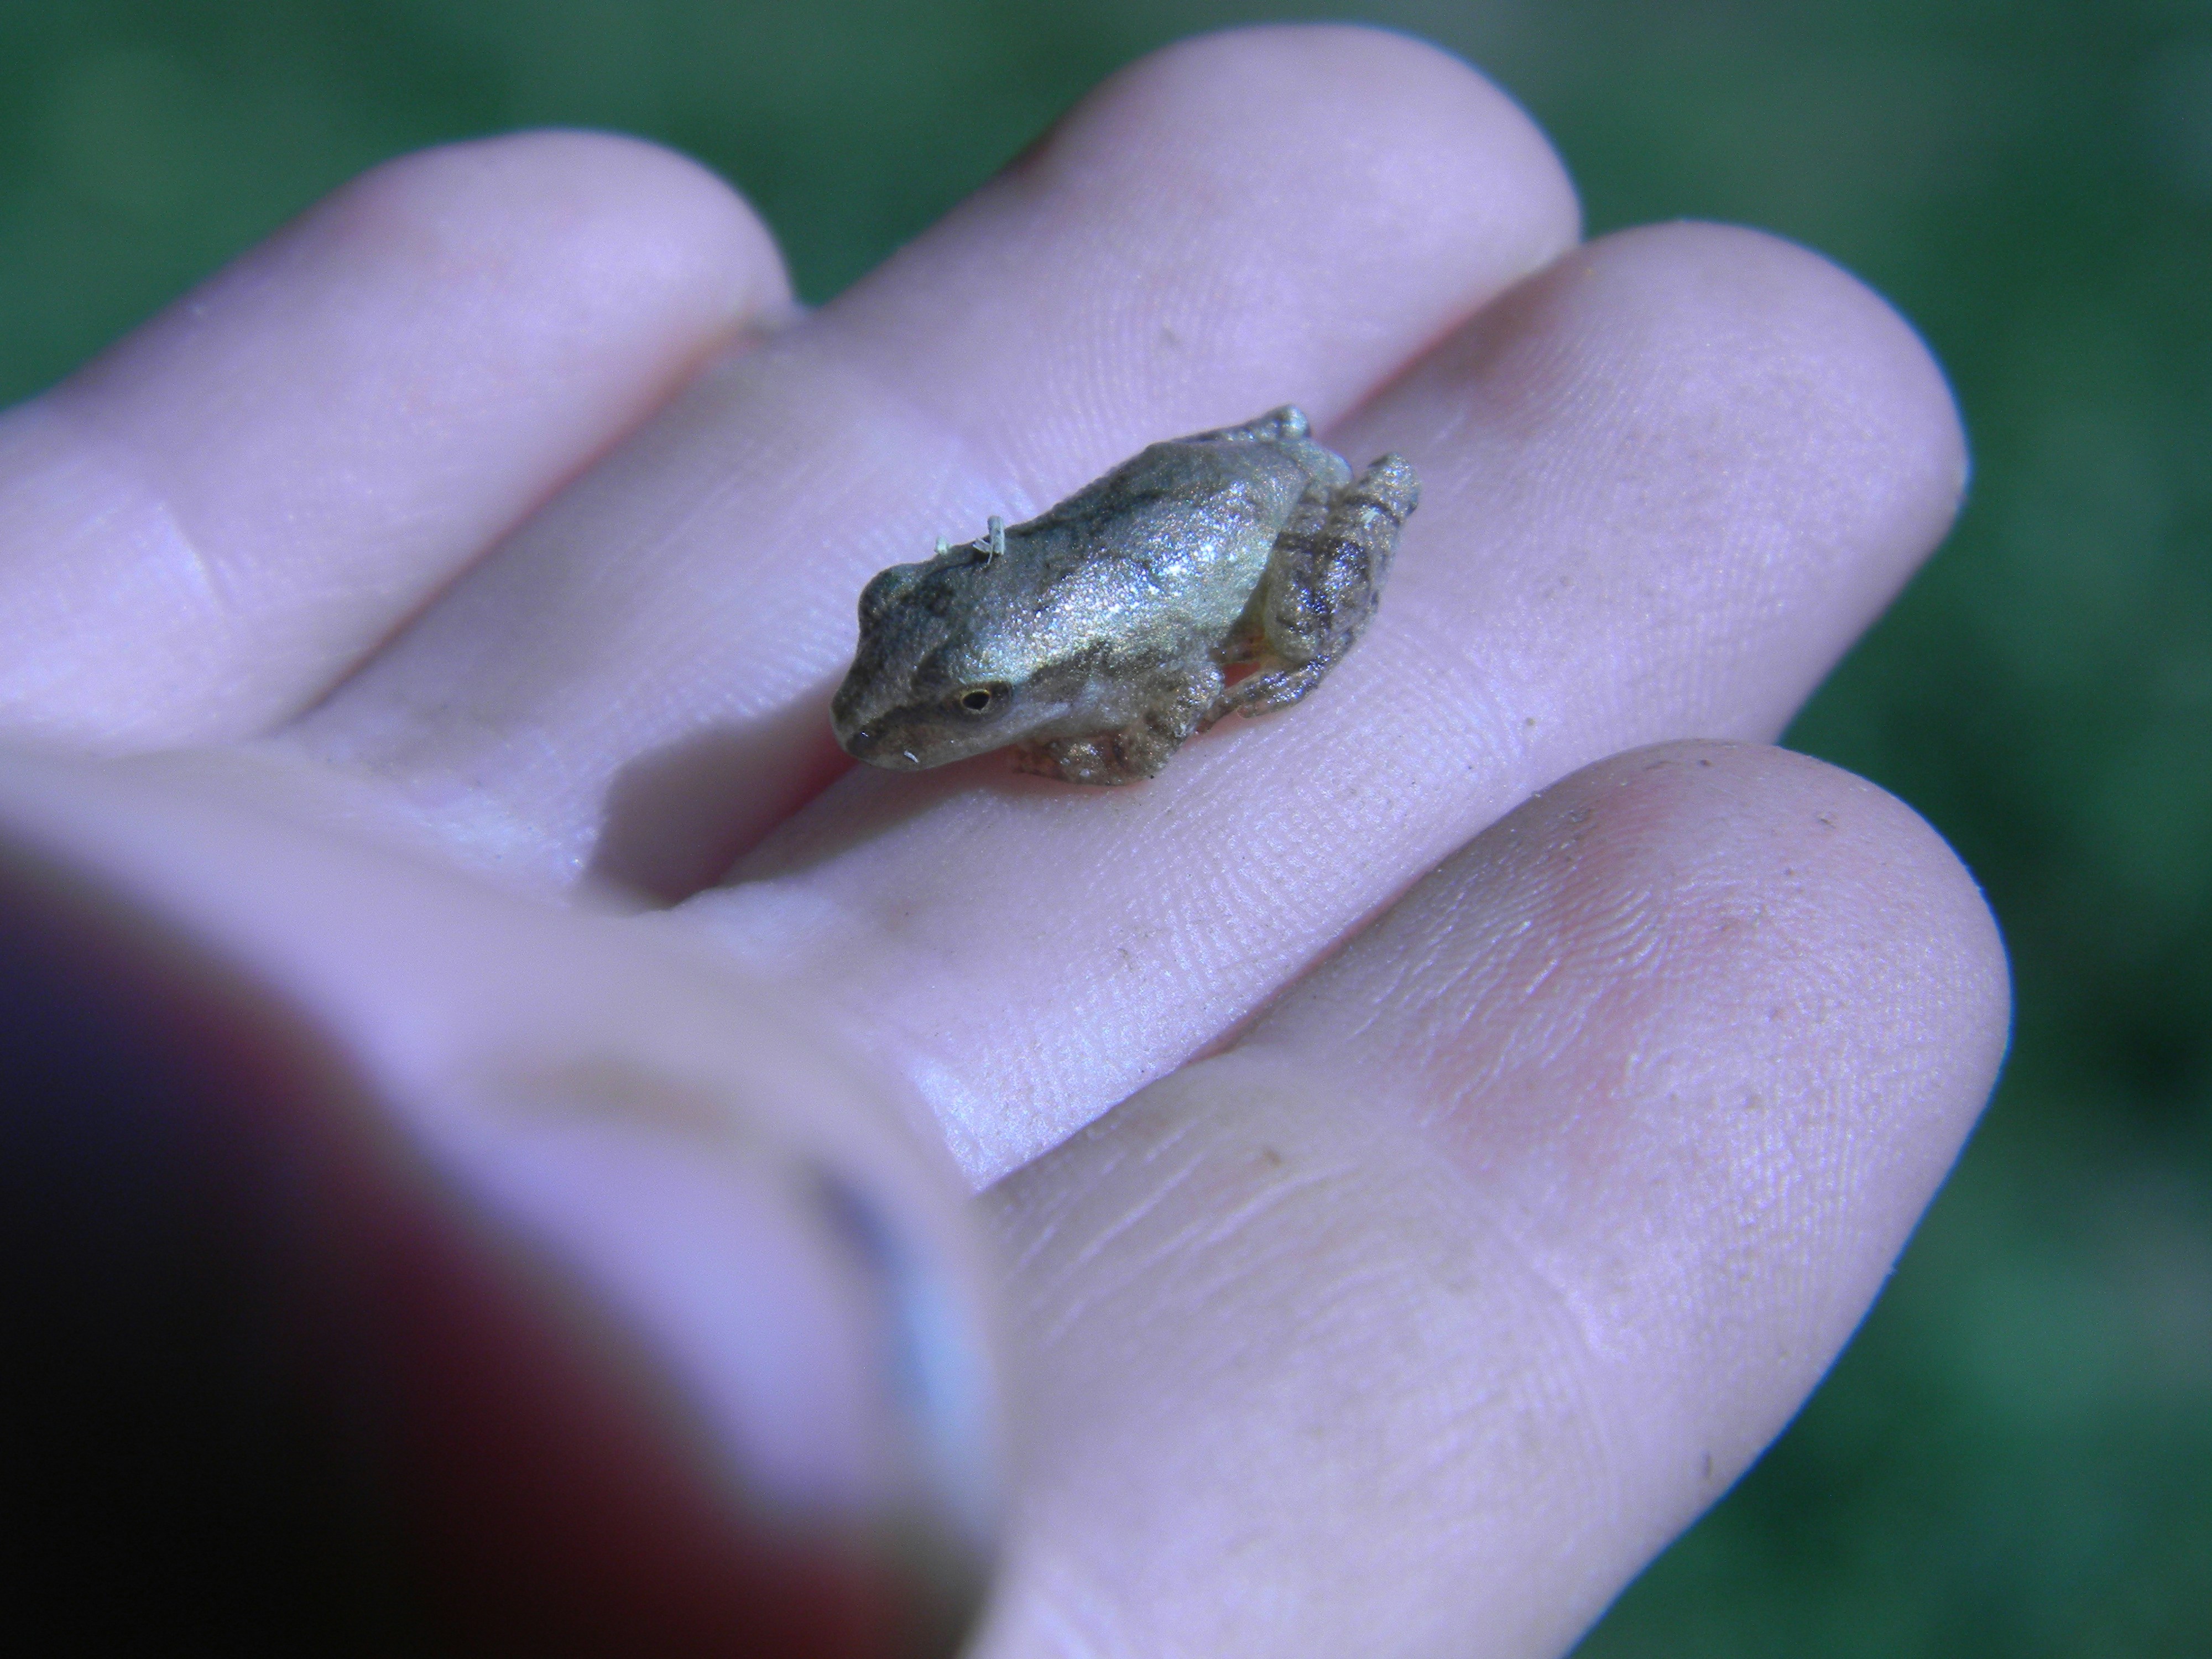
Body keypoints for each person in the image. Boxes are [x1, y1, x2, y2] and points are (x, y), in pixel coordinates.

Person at [0, 24, 2007, 1657]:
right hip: (1131, 520)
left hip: (1245, 523)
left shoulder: (1079, 682)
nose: (897, 730)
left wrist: (1124, 718)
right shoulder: (935, 637)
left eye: (948, 714)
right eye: (915, 680)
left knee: (1275, 652)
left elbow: (1129, 741)